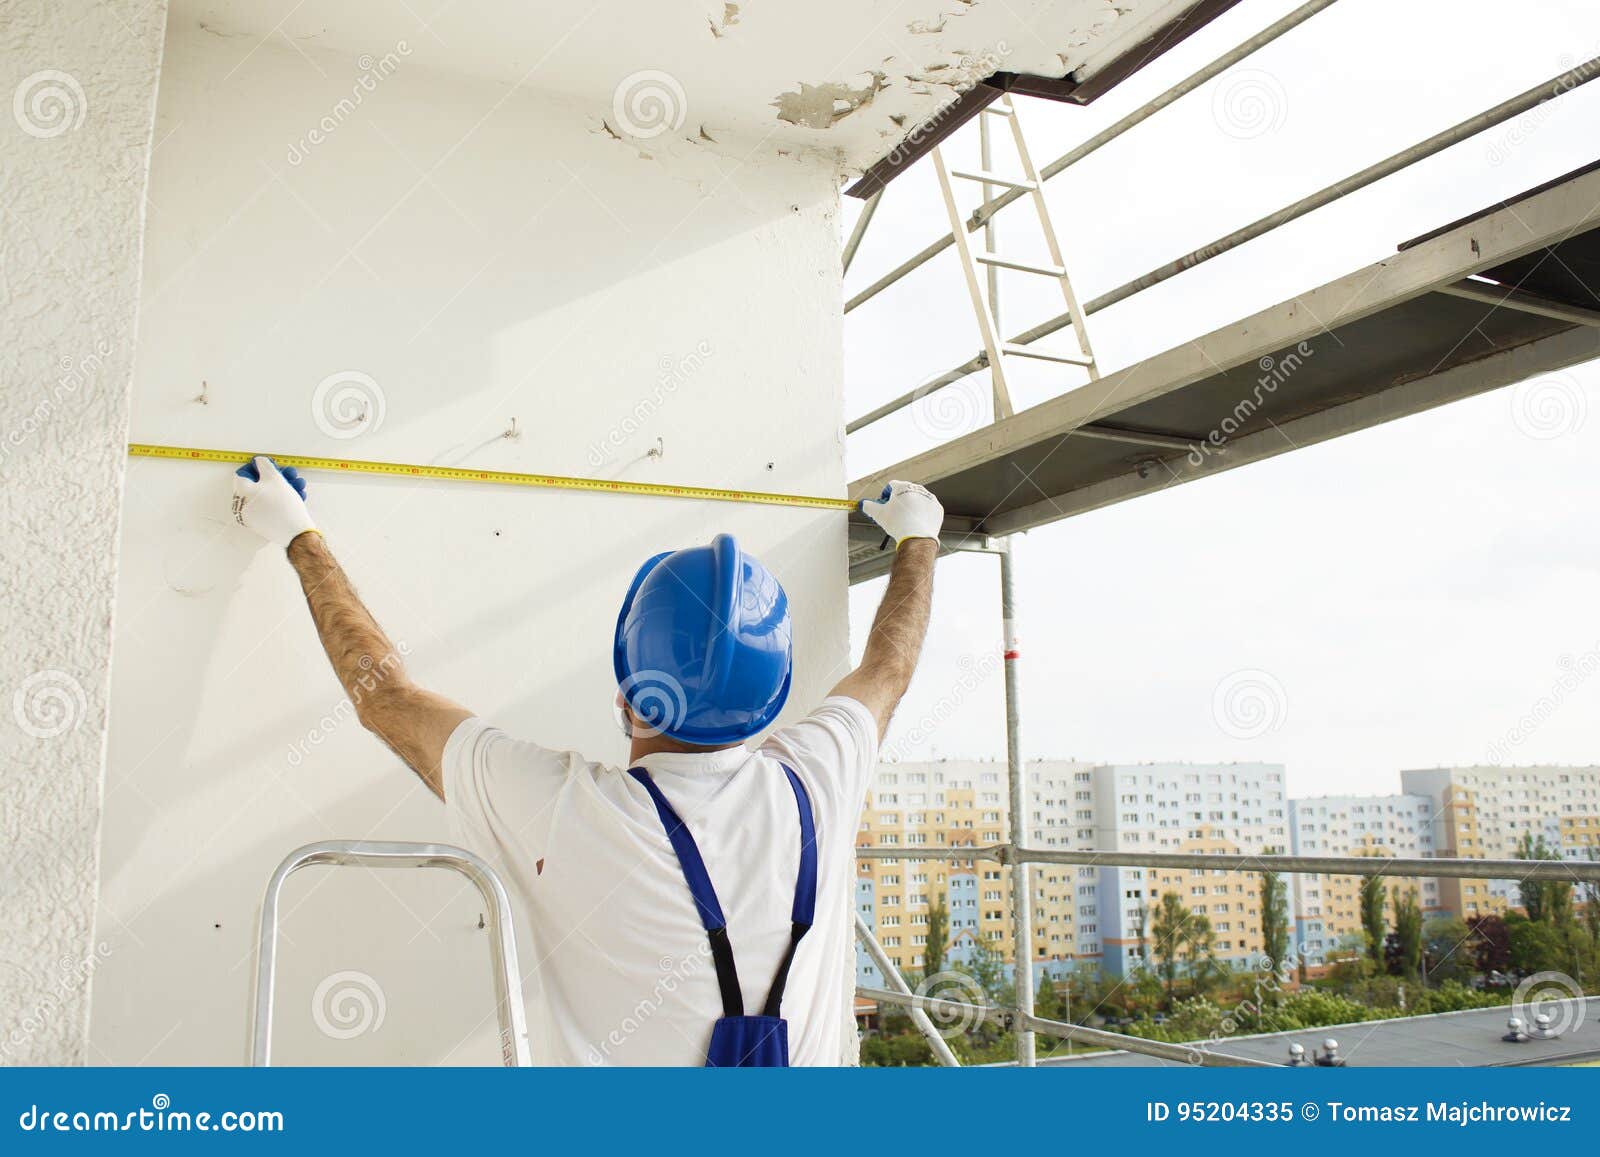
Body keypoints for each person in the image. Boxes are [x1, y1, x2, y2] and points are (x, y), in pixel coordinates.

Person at [231, 457, 943, 1065]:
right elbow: (888, 667)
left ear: (629, 690)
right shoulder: (818, 779)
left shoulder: (564, 809)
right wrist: (919, 537)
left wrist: (298, 534)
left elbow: (384, 696)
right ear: (775, 695)